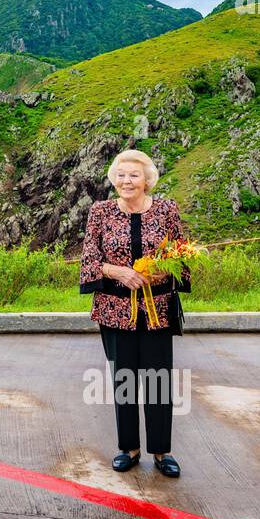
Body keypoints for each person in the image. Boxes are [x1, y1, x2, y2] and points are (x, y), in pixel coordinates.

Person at [77, 149, 190, 477]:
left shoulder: (167, 210)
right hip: (115, 310)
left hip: (158, 310)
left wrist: (163, 272)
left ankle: (161, 451)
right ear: (114, 179)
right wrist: (119, 272)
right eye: (121, 175)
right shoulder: (100, 211)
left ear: (147, 180)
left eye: (134, 175)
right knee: (123, 378)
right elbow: (89, 260)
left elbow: (179, 253)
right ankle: (128, 447)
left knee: (159, 380)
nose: (126, 181)